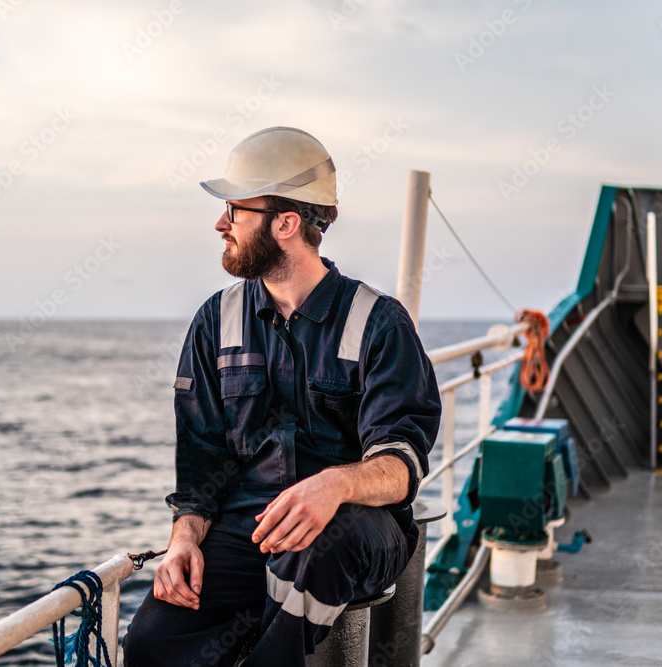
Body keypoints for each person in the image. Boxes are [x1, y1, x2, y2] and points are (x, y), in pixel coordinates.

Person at [123, 127, 441, 666]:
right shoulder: (214, 323)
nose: (220, 224)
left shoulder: (379, 323)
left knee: (320, 548)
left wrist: (334, 486)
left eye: (234, 210)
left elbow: (401, 465)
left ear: (287, 224)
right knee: (152, 645)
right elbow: (202, 465)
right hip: (252, 533)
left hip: (356, 532)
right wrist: (183, 539)